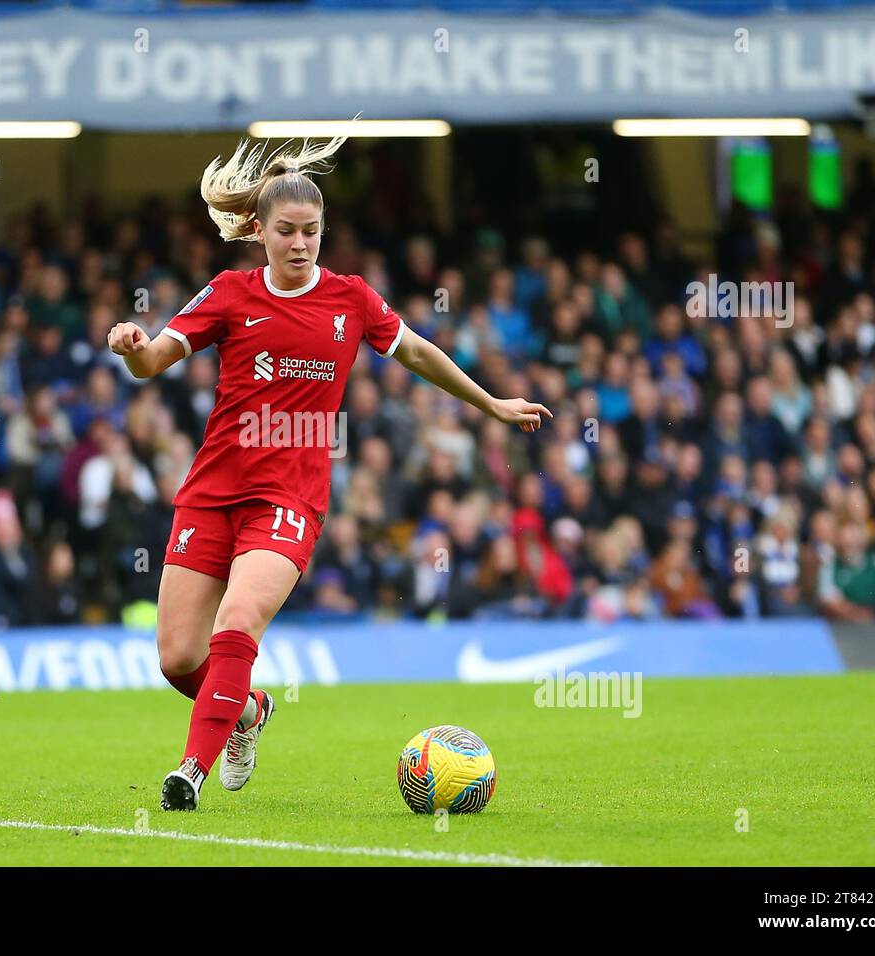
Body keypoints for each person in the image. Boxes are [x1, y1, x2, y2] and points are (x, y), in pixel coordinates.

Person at [107, 130, 551, 810]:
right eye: (286, 231)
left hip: (289, 498)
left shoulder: (351, 300)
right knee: (175, 658)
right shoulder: (229, 292)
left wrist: (490, 402)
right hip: (211, 493)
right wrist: (133, 348)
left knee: (240, 620)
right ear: (258, 230)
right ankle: (248, 714)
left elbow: (419, 354)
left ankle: (188, 772)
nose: (299, 243)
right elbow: (156, 358)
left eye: (311, 231)